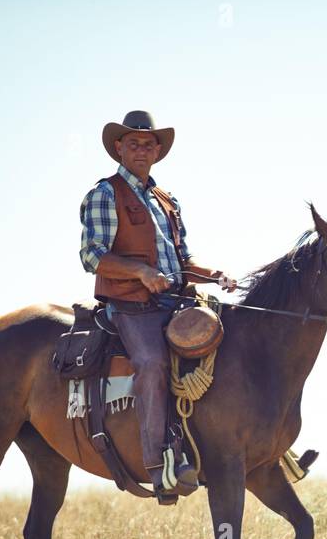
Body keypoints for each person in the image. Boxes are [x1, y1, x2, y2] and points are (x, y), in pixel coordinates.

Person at [79, 110, 237, 504]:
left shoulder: (168, 200)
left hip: (174, 301)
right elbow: (91, 256)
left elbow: (182, 261)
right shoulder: (105, 193)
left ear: (157, 151)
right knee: (151, 363)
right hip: (131, 307)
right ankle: (158, 465)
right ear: (118, 147)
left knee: (234, 345)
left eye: (148, 144)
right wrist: (140, 272)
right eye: (133, 143)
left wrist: (215, 274)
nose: (141, 150)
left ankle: (252, 446)